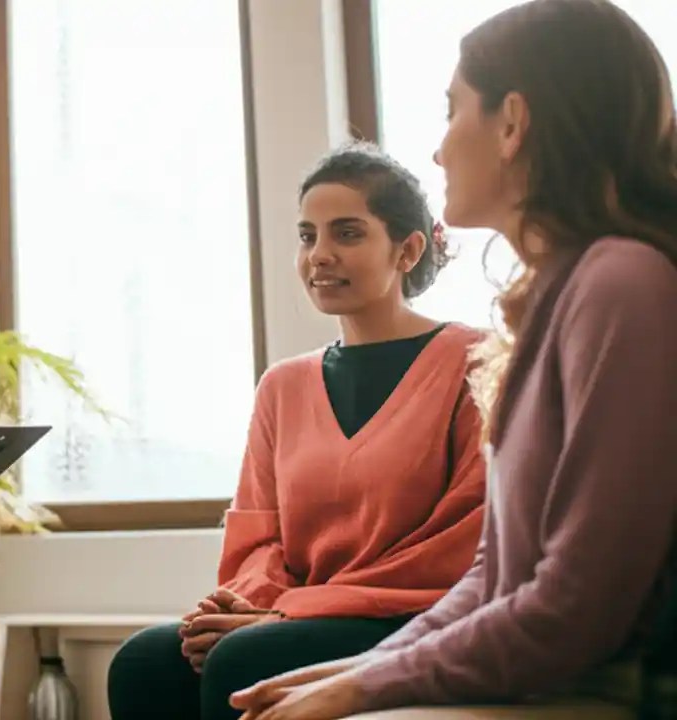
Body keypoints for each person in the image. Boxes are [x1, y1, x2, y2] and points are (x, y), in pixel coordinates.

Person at [230, 2, 677, 719]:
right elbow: (493, 577)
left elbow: (576, 606)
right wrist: (355, 670)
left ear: (512, 123)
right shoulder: (558, 301)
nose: (437, 150)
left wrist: (360, 686)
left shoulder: (621, 283)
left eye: (451, 112)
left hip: (602, 686)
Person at [107, 143, 487, 720]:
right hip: (295, 614)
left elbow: (465, 541)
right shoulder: (281, 387)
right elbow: (259, 539)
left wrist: (291, 615)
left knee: (244, 659)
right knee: (145, 661)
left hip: (415, 616)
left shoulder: (476, 363)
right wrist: (248, 607)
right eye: (308, 236)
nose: (320, 256)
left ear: (408, 249)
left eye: (348, 234)